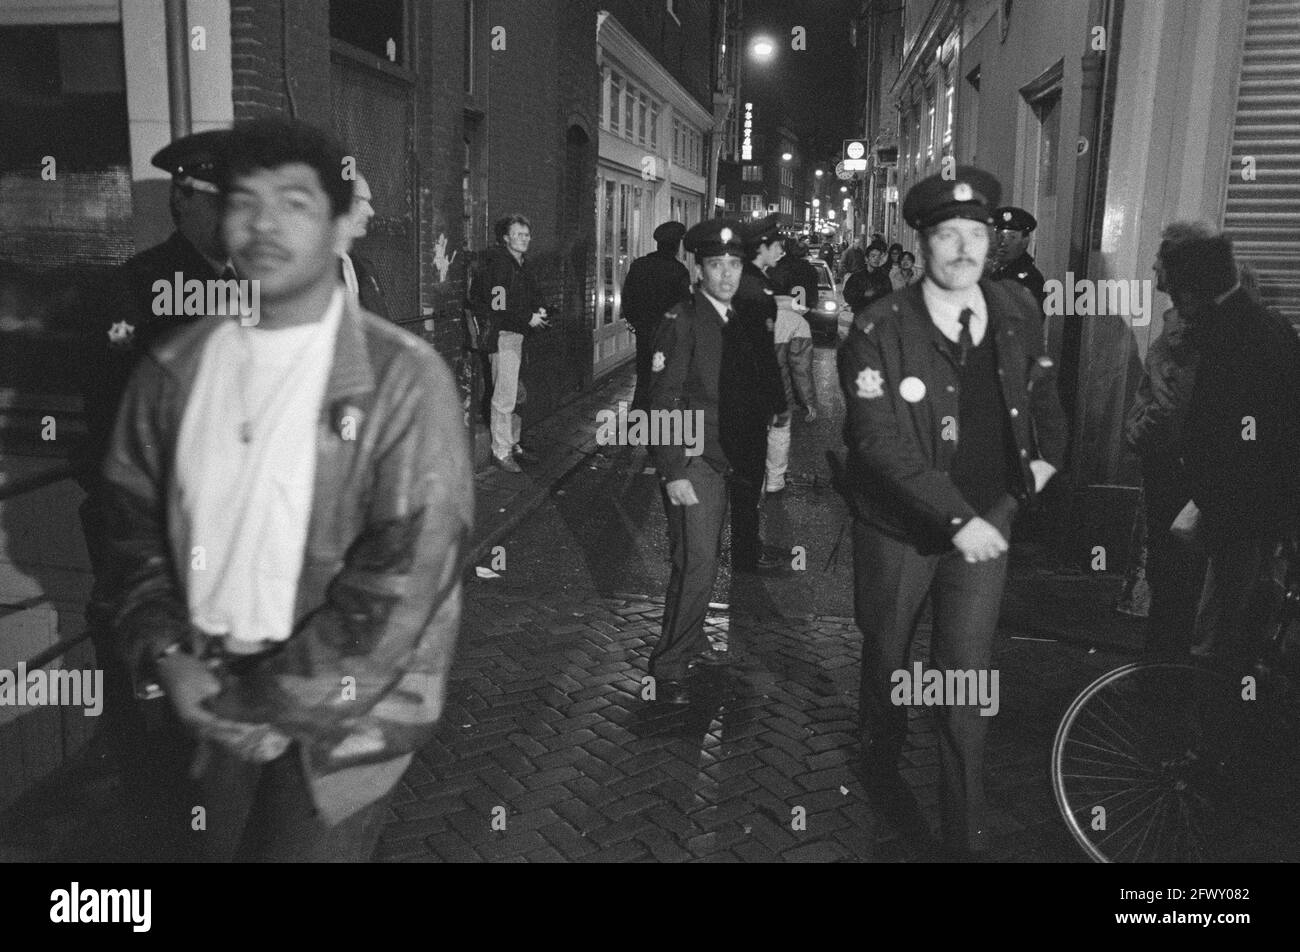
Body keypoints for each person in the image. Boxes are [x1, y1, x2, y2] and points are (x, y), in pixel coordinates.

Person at [100, 116, 474, 861]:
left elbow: (403, 578)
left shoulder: (403, 379)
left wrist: (262, 702)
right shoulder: (173, 369)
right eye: (244, 201)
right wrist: (168, 652)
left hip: (339, 721)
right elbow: (127, 524)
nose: (264, 223)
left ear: (341, 226)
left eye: (294, 202)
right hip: (205, 691)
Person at [837, 166, 1068, 858]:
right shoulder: (879, 325)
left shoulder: (1019, 310)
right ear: (923, 241)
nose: (965, 246)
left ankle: (964, 839)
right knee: (886, 656)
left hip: (987, 525)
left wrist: (1025, 490)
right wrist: (956, 519)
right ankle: (880, 749)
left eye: (977, 231)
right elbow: (876, 442)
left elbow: (1046, 404)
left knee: (962, 689)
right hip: (899, 532)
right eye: (948, 233)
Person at [76, 128, 234, 842]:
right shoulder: (137, 291)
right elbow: (111, 447)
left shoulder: (249, 290)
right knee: (163, 775)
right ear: (190, 200)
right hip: (162, 568)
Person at [1165, 232, 1300, 659]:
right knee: (1234, 619)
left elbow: (1239, 428)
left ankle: (1218, 713)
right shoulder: (1267, 325)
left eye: (1175, 288)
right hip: (1257, 504)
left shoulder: (1228, 334)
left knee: (1223, 626)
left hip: (1240, 505)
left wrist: (1210, 492)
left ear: (1193, 289)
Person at [645, 219, 754, 704]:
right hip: (693, 463)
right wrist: (672, 473)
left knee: (694, 560)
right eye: (717, 265)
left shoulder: (738, 318)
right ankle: (668, 665)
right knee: (699, 563)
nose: (727, 275)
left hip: (724, 461)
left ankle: (690, 640)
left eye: (734, 265)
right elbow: (660, 401)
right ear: (700, 268)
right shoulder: (682, 320)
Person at [1124, 223, 1211, 654]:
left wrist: (1138, 432)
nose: (1155, 265)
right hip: (1174, 463)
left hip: (1174, 466)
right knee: (1173, 568)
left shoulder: (1189, 328)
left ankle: (1162, 671)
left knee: (1173, 568)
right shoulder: (1183, 320)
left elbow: (1173, 402)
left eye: (1162, 259)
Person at [731, 213, 791, 572]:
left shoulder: (747, 284)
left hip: (741, 396)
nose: (781, 249)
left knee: (746, 478)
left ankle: (748, 547)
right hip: (748, 400)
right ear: (762, 249)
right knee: (748, 478)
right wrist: (777, 401)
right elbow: (761, 354)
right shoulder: (756, 291)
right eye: (777, 245)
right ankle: (745, 555)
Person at [472, 214, 551, 472]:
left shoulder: (521, 263)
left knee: (517, 394)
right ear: (505, 238)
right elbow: (497, 306)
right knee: (504, 396)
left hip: (519, 336)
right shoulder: (499, 265)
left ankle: (513, 442)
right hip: (503, 336)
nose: (524, 239)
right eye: (518, 235)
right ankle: (501, 451)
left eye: (527, 235)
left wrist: (540, 309)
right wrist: (528, 316)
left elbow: (529, 294)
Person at [621, 220, 691, 412]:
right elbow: (685, 308)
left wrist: (637, 324)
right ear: (676, 245)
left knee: (643, 382)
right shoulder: (679, 272)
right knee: (664, 383)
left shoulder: (639, 266)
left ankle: (635, 431)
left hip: (644, 335)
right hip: (668, 338)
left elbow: (627, 299)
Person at [765, 258, 817, 495]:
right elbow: (801, 368)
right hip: (781, 393)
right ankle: (775, 479)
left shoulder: (746, 312)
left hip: (747, 391)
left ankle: (752, 478)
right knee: (779, 434)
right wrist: (808, 401)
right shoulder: (798, 322)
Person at [339, 172, 389, 319]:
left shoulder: (365, 269)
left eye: (368, 202)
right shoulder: (309, 274)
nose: (371, 211)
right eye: (357, 201)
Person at [989, 206, 1047, 310]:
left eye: (1011, 237)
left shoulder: (1030, 280)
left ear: (1025, 241)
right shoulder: (989, 270)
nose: (1002, 243)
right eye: (998, 235)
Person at [843, 239, 893, 317]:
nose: (876, 259)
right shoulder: (856, 277)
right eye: (873, 256)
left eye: (878, 256)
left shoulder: (883, 278)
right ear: (866, 258)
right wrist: (863, 294)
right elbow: (848, 295)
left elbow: (889, 297)